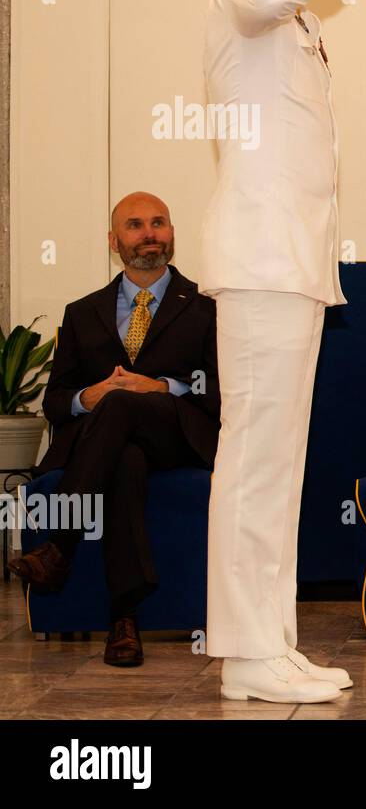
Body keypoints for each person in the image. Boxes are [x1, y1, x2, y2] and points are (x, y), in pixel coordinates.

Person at [199, 0, 358, 703]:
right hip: (260, 261)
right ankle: (246, 652)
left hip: (291, 263)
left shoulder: (297, 20)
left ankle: (272, 643)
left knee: (278, 464)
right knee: (255, 459)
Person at [9, 193, 219, 668]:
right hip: (110, 443)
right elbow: (56, 402)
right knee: (125, 457)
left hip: (179, 435)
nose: (149, 234)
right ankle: (123, 620)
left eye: (158, 222)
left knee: (125, 404)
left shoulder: (206, 306)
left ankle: (58, 545)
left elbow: (220, 390)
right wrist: (90, 397)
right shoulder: (82, 312)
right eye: (135, 225)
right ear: (113, 241)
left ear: (172, 233)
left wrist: (159, 387)